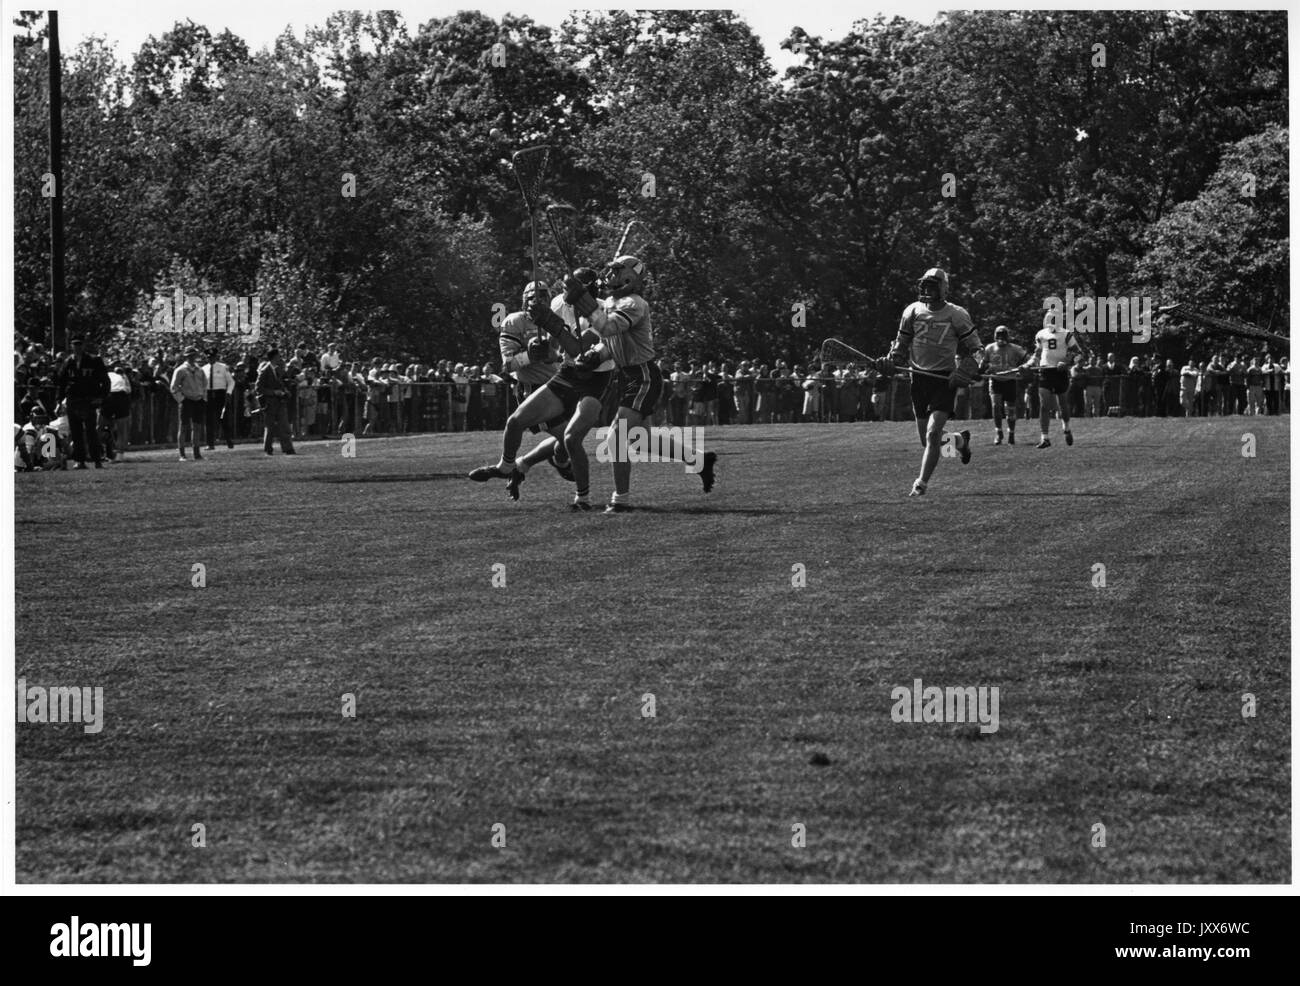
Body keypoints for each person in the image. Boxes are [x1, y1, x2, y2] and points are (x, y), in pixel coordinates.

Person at [568, 255, 716, 511]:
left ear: (630, 276)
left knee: (616, 437)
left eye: (616, 270)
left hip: (643, 375)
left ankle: (621, 500)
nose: (610, 275)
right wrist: (595, 356)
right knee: (641, 440)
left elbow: (609, 328)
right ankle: (699, 459)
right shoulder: (613, 301)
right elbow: (610, 342)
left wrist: (585, 303)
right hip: (627, 375)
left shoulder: (634, 302)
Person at [880, 267, 977, 496]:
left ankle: (921, 484)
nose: (927, 290)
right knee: (928, 442)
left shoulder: (957, 314)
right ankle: (960, 442)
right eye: (925, 285)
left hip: (945, 379)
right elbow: (900, 345)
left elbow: (977, 349)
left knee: (933, 435)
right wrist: (890, 361)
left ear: (944, 288)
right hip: (919, 378)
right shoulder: (912, 310)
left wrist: (966, 368)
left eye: (933, 285)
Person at [1024, 308, 1081, 448]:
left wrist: (1066, 361)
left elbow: (1078, 353)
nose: (1051, 322)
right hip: (1045, 371)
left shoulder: (1066, 334)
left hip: (1059, 372)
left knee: (1063, 403)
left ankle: (1066, 428)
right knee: (1044, 404)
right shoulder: (1041, 334)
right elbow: (1037, 354)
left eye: (1054, 319)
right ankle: (1045, 438)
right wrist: (1029, 364)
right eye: (1050, 319)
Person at [54, 334, 110, 469]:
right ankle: (80, 460)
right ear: (72, 346)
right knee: (76, 432)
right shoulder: (69, 362)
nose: (77, 347)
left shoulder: (94, 361)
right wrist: (58, 402)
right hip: (73, 401)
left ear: (83, 346)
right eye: (74, 345)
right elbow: (61, 383)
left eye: (79, 345)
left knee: (91, 432)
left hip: (89, 401)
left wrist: (101, 397)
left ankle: (97, 459)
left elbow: (105, 381)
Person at [982, 325, 1025, 445]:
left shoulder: (1015, 348)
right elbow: (984, 363)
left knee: (1010, 408)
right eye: (998, 336)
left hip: (1010, 380)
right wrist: (985, 369)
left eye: (1003, 336)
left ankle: (1011, 433)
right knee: (996, 406)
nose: (1001, 338)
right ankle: (998, 432)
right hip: (995, 380)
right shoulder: (989, 348)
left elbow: (1027, 358)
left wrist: (1022, 367)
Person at [255, 348, 296, 455]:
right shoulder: (265, 370)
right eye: (278, 356)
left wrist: (284, 391)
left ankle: (288, 448)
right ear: (274, 357)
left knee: (284, 426)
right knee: (270, 427)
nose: (280, 358)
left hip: (280, 402)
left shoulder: (278, 369)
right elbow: (258, 388)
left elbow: (280, 384)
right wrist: (273, 392)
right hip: (269, 403)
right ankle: (268, 449)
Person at [170, 347, 207, 460]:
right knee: (183, 427)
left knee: (197, 427)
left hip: (198, 400)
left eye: (193, 355)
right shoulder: (181, 370)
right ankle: (182, 454)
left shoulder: (200, 370)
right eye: (189, 355)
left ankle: (197, 453)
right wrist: (181, 399)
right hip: (187, 400)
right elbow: (174, 387)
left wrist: (203, 398)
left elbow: (204, 385)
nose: (192, 357)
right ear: (186, 356)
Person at [202, 349, 237, 449]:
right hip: (208, 395)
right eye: (208, 357)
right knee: (209, 421)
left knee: (223, 418)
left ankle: (228, 440)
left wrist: (229, 393)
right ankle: (210, 443)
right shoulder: (203, 369)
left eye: (212, 357)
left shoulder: (223, 367)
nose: (210, 359)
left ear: (215, 357)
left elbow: (231, 382)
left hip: (220, 394)